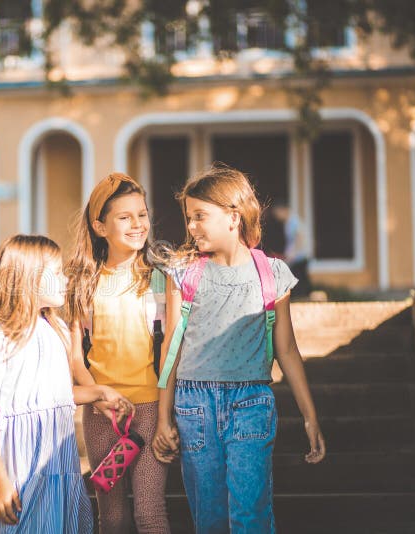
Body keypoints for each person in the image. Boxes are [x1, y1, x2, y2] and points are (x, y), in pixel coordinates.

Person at [151, 164, 326, 533]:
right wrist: (164, 418)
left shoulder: (273, 273)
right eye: (189, 218)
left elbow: (288, 350)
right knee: (209, 518)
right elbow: (171, 349)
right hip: (193, 405)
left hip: (252, 404)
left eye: (200, 216)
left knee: (251, 517)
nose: (191, 227)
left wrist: (310, 416)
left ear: (233, 216)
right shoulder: (183, 272)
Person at [0, 234, 132, 533]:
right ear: (27, 278)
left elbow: (54, 395)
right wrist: (1, 480)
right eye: (56, 273)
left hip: (59, 466)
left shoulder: (54, 329)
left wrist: (98, 392)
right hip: (17, 472)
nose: (65, 280)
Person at [64, 172, 171, 533]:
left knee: (150, 511)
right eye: (124, 217)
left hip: (149, 411)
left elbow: (171, 350)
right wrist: (97, 398)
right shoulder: (83, 283)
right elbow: (76, 356)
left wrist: (164, 415)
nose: (137, 224)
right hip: (100, 415)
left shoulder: (159, 278)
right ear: (100, 226)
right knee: (110, 516)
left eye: (142, 215)